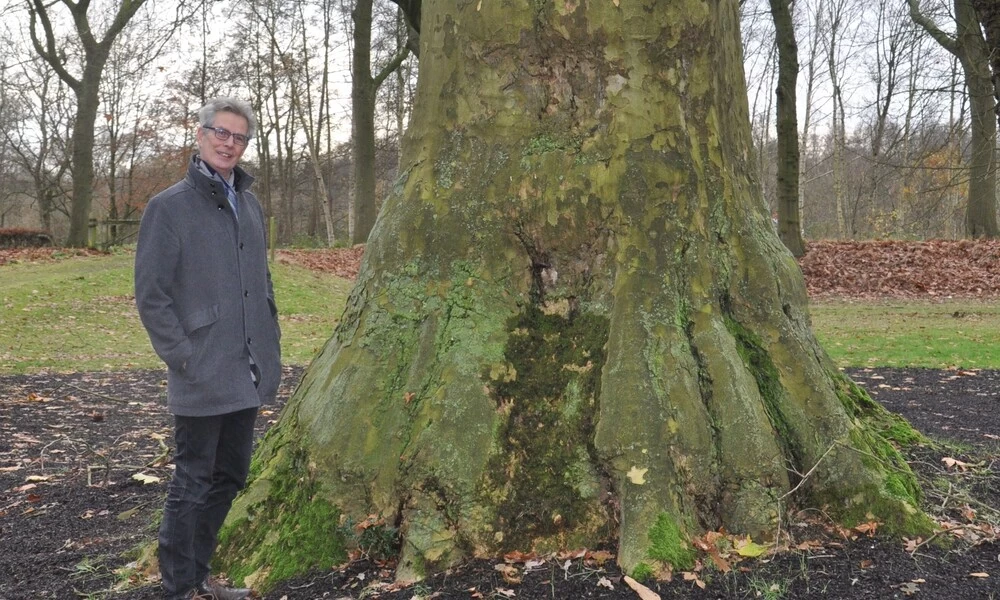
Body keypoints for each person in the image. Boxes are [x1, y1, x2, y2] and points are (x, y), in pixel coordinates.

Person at [135, 97, 281, 600]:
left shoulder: (251, 204)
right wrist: (183, 356)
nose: (229, 143)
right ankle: (178, 588)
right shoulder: (169, 207)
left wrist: (269, 343)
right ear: (200, 135)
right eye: (220, 132)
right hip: (201, 368)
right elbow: (151, 295)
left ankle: (198, 577)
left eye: (239, 137)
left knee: (230, 476)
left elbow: (261, 281)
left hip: (247, 369)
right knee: (192, 481)